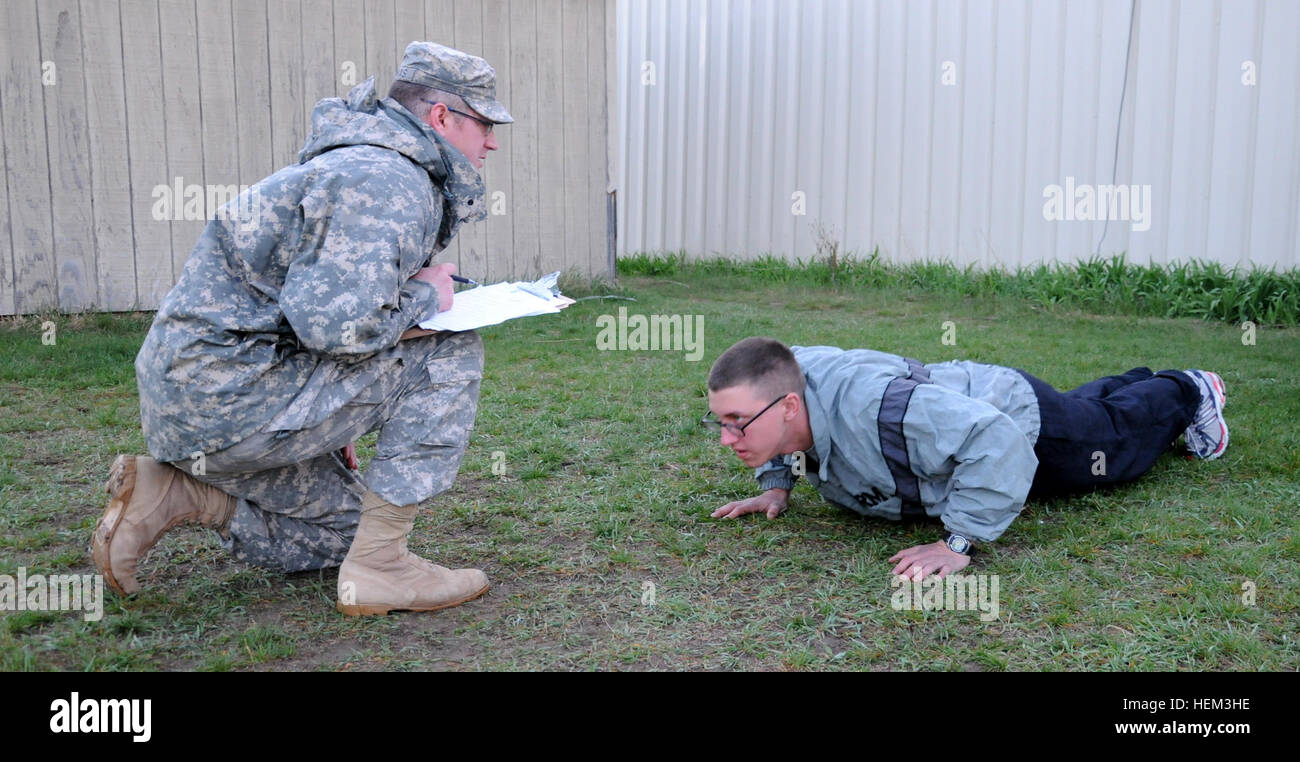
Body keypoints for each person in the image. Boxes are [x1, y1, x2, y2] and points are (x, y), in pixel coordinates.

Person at [92, 42, 512, 616]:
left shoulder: (364, 164)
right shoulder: (386, 179)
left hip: (198, 405)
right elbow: (337, 327)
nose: (490, 141)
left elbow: (306, 311)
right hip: (229, 399)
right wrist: (425, 295)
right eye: (485, 123)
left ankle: (179, 493)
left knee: (344, 538)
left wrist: (329, 414)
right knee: (449, 348)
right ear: (441, 116)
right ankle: (384, 569)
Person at [702, 337, 1229, 581]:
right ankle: (1135, 381)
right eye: (721, 422)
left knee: (1113, 447)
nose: (729, 438)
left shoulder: (879, 410)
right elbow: (781, 393)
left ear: (789, 406)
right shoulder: (786, 382)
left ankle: (1186, 389)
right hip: (963, 404)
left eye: (737, 423)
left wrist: (958, 543)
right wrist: (776, 483)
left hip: (1012, 418)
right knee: (1086, 412)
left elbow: (993, 440)